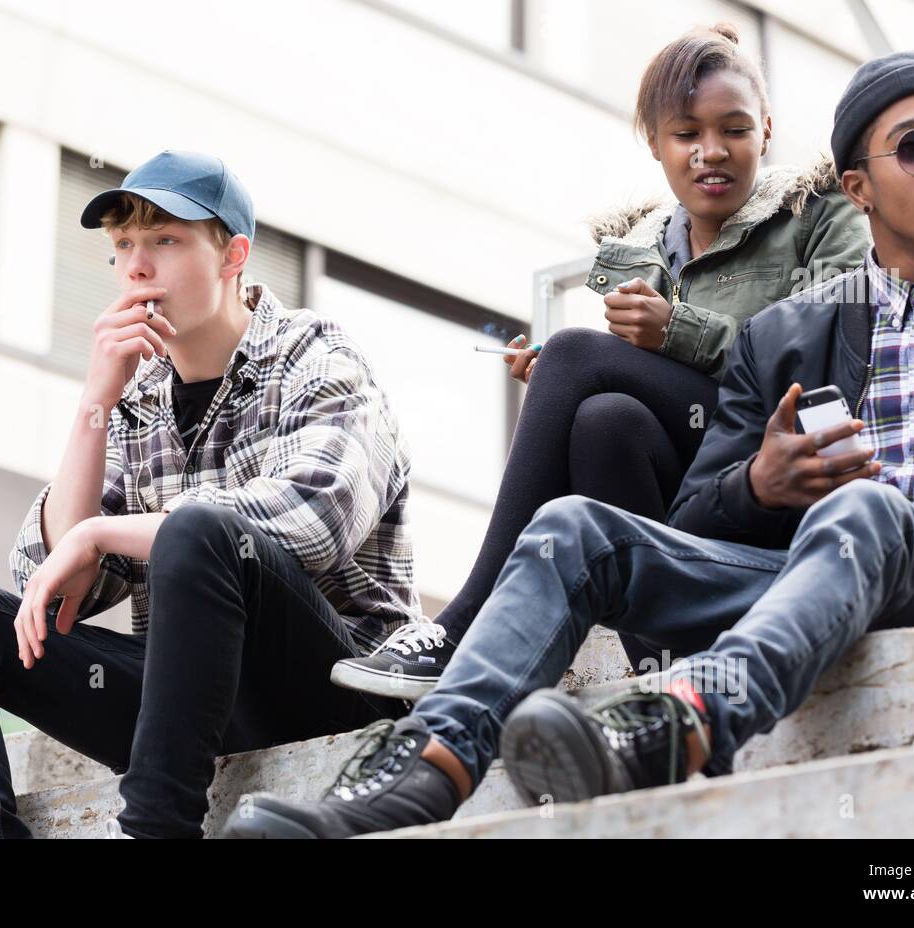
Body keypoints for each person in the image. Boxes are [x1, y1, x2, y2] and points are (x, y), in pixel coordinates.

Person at [223, 52, 914, 839]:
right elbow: (694, 518)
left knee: (873, 510)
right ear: (858, 186)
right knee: (571, 528)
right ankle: (423, 768)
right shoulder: (790, 333)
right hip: (815, 583)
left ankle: (681, 719)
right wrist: (758, 487)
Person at [0, 150, 418, 838]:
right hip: (192, 705)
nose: (136, 267)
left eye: (165, 241)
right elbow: (51, 588)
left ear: (233, 256)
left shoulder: (316, 355)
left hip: (332, 690)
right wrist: (94, 405)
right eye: (124, 246)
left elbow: (312, 522)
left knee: (199, 531)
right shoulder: (139, 399)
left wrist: (105, 533)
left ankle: (154, 829)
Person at [331, 22, 868, 699]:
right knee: (602, 418)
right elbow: (628, 385)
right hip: (687, 487)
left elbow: (829, 360)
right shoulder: (641, 247)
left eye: (733, 130)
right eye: (686, 134)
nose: (711, 152)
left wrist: (679, 333)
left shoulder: (817, 210)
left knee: (576, 355)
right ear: (655, 143)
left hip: (774, 465)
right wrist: (563, 377)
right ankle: (659, 657)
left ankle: (466, 623)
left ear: (765, 127)